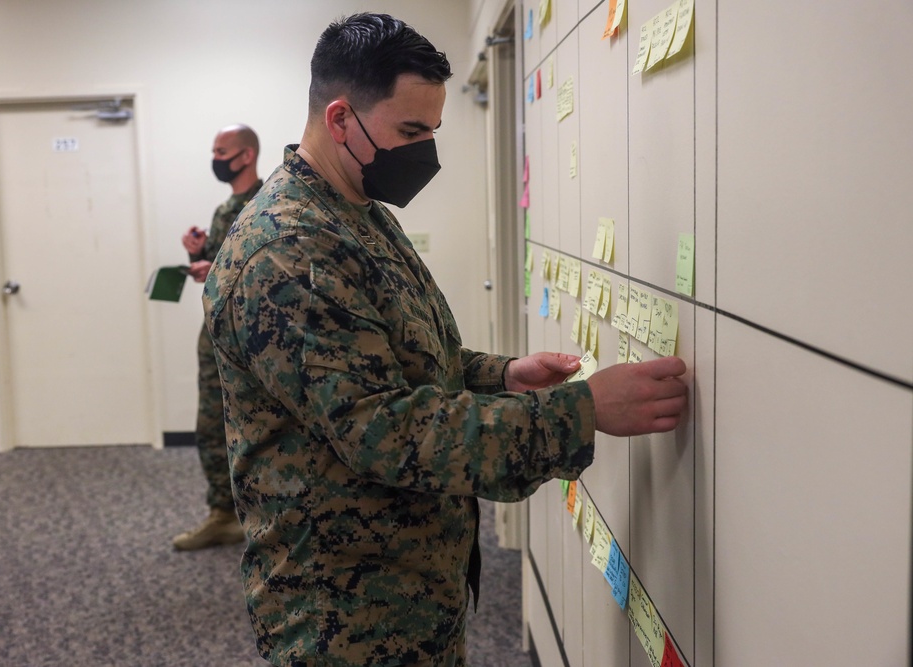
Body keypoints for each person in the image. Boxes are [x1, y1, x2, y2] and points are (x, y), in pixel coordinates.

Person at [203, 13, 687, 665]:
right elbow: (387, 429)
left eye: (432, 130)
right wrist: (582, 410)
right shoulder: (289, 253)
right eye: (410, 131)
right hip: (345, 618)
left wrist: (502, 374)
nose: (424, 151)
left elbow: (393, 358)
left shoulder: (354, 211)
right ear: (341, 118)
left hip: (407, 589)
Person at [172, 124, 263, 551]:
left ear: (246, 156)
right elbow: (219, 266)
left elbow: (270, 270)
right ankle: (222, 514)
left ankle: (264, 516)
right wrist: (198, 255)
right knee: (210, 426)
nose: (215, 157)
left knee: (260, 429)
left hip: (253, 339)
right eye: (213, 150)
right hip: (217, 335)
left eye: (221, 150)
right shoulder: (226, 207)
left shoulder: (266, 205)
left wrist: (219, 270)